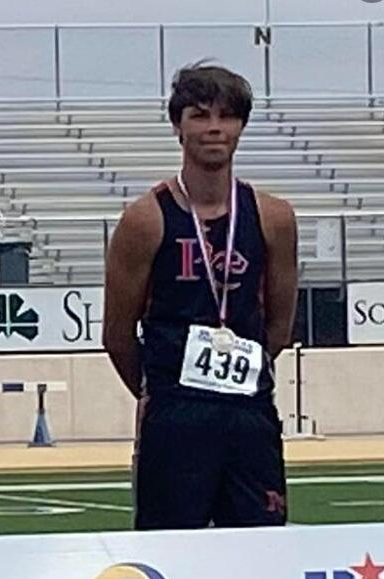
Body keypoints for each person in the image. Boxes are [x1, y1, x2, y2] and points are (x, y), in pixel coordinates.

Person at [103, 64, 298, 530]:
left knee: (259, 551)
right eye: (200, 115)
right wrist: (164, 392)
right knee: (169, 554)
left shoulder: (273, 217)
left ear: (242, 126)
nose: (214, 128)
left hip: (249, 411)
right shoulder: (146, 219)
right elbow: (117, 334)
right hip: (175, 415)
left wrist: (236, 377)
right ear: (178, 125)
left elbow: (280, 325)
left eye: (227, 116)